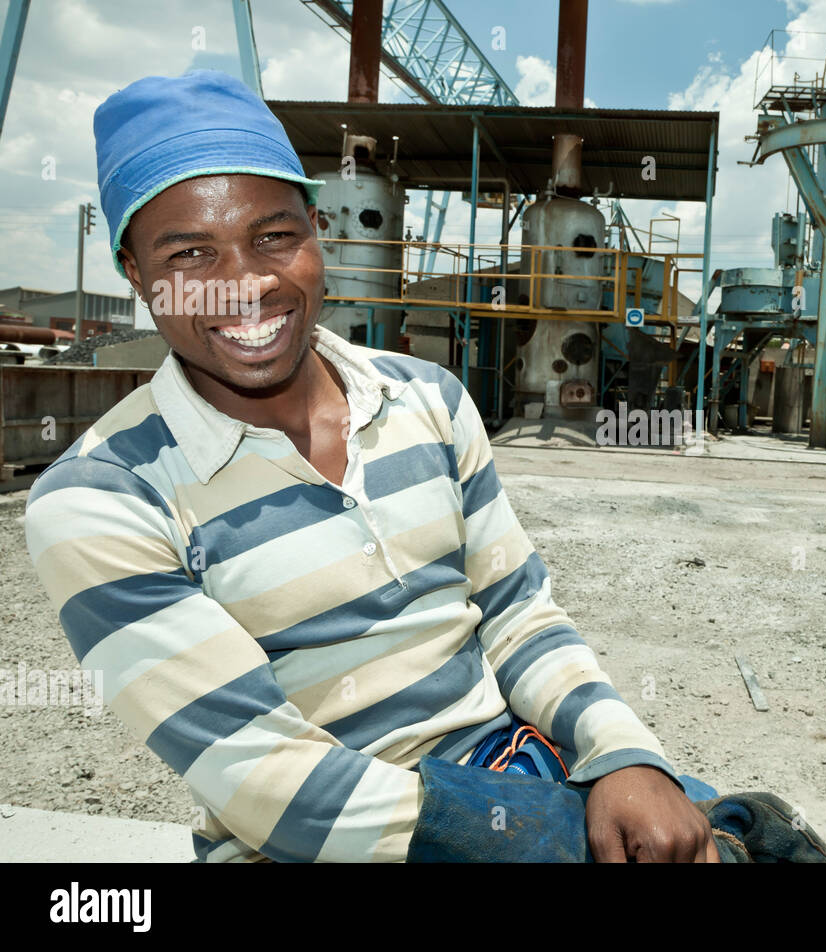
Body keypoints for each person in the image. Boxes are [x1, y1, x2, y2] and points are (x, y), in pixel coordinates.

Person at [24, 69, 720, 863]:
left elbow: (519, 611)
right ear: (135, 273)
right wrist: (547, 838)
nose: (245, 286)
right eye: (190, 254)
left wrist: (622, 755)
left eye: (274, 236)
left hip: (518, 769)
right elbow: (266, 783)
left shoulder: (429, 398)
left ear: (319, 231)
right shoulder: (101, 499)